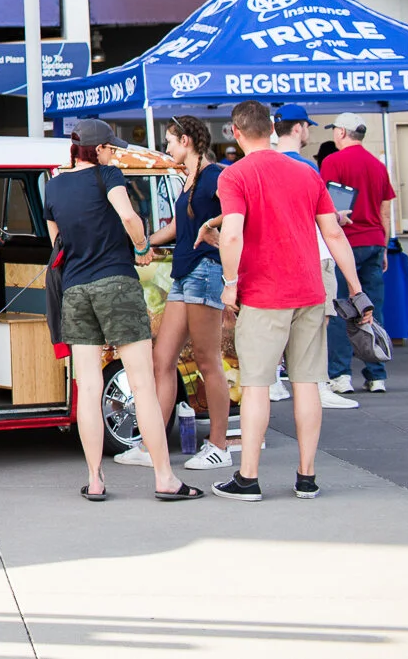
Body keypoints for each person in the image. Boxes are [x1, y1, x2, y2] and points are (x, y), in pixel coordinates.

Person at [213, 100, 372, 502]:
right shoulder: (306, 173)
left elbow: (232, 234)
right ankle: (307, 477)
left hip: (264, 294)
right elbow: (334, 234)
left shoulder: (234, 175)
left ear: (235, 132)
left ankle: (248, 478)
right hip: (309, 291)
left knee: (256, 386)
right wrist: (356, 289)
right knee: (306, 383)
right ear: (271, 128)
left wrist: (230, 282)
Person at [48, 119, 199, 501]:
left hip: (76, 290)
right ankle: (165, 478)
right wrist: (141, 245)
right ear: (98, 150)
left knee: (88, 387)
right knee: (143, 384)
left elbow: (57, 243)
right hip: (116, 282)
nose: (114, 153)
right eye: (110, 148)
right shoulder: (108, 175)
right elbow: (129, 216)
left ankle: (95, 479)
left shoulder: (54, 185)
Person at [139, 116, 234, 471]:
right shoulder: (188, 179)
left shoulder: (216, 176)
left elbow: (238, 215)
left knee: (208, 361)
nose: (167, 148)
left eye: (169, 142)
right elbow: (179, 227)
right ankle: (153, 446)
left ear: (187, 141)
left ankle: (219, 445)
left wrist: (214, 230)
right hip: (184, 274)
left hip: (205, 272)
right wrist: (142, 243)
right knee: (162, 360)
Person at [273, 104, 357, 408]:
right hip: (314, 253)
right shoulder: (307, 169)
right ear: (298, 128)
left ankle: (273, 381)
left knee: (279, 323)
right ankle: (318, 386)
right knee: (318, 321)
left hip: (278, 256)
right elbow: (326, 226)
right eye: (307, 126)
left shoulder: (262, 166)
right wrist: (336, 218)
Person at [322, 113, 396, 394]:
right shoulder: (378, 166)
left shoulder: (332, 162)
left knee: (341, 307)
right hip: (374, 241)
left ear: (342, 132)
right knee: (370, 309)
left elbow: (328, 207)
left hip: (345, 243)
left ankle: (340, 375)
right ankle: (377, 374)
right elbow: (384, 211)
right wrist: (384, 246)